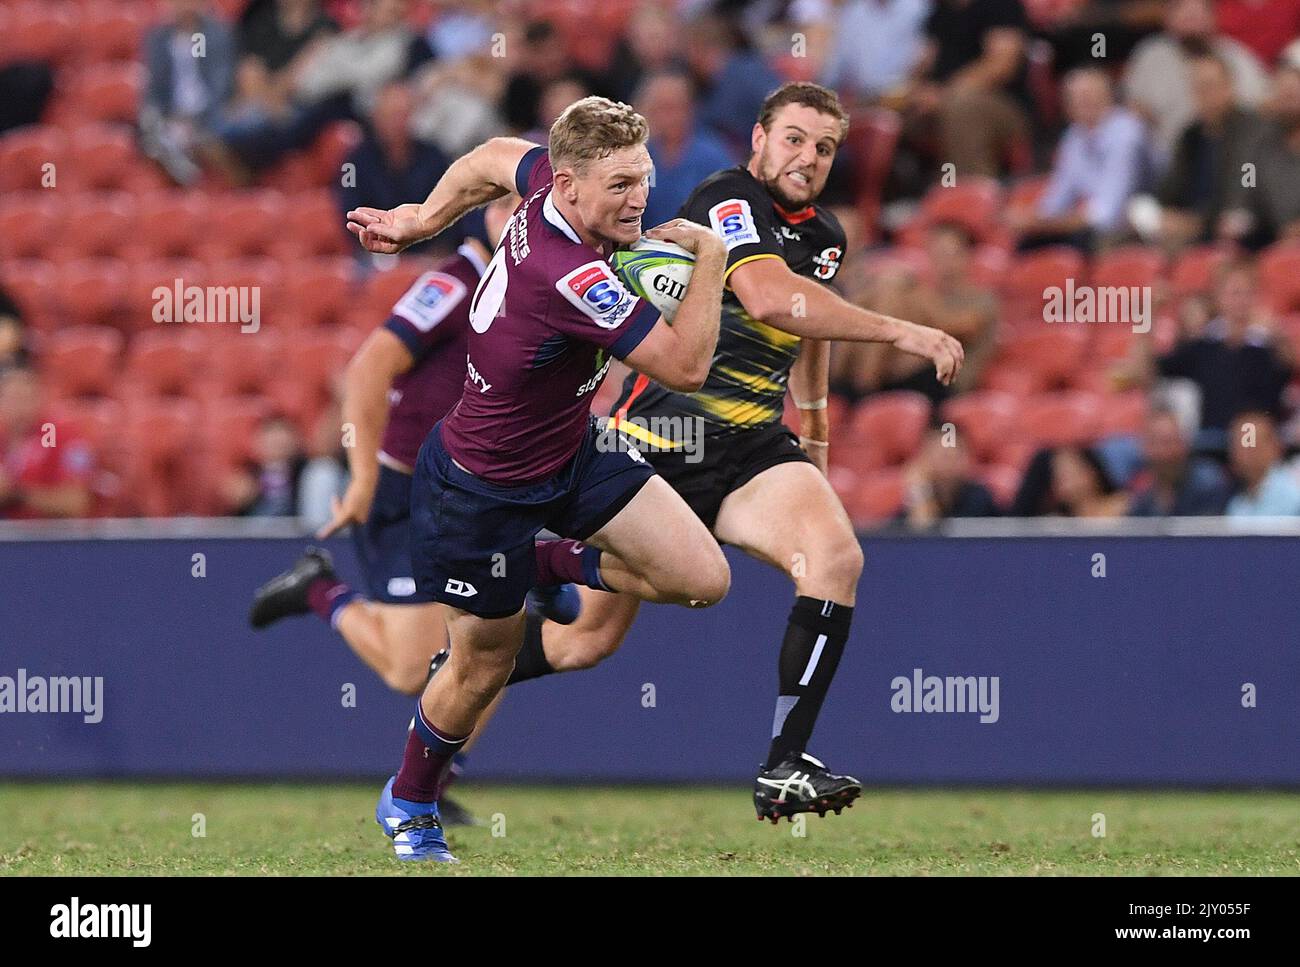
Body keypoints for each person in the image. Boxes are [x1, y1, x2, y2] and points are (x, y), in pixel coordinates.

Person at [497, 83, 963, 824]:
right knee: (588, 640)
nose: (807, 156)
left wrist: (813, 429)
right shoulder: (727, 196)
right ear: (760, 137)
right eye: (795, 138)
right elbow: (773, 297)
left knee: (836, 560)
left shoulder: (825, 232)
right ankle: (482, 640)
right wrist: (905, 331)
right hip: (661, 439)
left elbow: (807, 325)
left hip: (752, 445)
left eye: (824, 146)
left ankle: (784, 764)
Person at [346, 96, 733, 861]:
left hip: (569, 455)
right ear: (568, 188)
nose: (639, 199)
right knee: (479, 667)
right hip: (478, 490)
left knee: (703, 577)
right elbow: (688, 365)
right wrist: (712, 259)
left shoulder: (540, 189)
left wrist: (424, 218)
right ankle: (411, 800)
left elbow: (492, 153)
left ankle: (545, 561)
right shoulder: (569, 274)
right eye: (620, 185)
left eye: (643, 179)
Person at [1011, 67, 1151, 251]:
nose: (1082, 101)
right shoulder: (1074, 136)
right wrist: (1034, 220)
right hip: (1094, 224)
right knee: (1028, 243)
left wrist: (1051, 224)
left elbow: (1106, 212)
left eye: (1089, 94)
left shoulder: (1127, 132)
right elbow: (1058, 197)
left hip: (1137, 223)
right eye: (1074, 97)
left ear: (1109, 96)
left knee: (1086, 240)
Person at [0, 367, 93, 520]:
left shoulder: (64, 436)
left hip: (51, 538)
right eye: (12, 398)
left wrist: (16, 494)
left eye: (25, 398)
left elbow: (76, 502)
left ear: (39, 399)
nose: (19, 407)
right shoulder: (3, 437)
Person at [1127, 405, 1231, 516]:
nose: (1165, 453)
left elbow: (1204, 530)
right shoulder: (1142, 496)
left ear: (1185, 443)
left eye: (1170, 442)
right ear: (1145, 448)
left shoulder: (1208, 481)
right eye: (1156, 443)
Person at [1225, 411, 1300, 517]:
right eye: (1237, 444)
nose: (1243, 452)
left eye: (1251, 444)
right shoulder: (1237, 505)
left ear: (1275, 446)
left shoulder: (1295, 491)